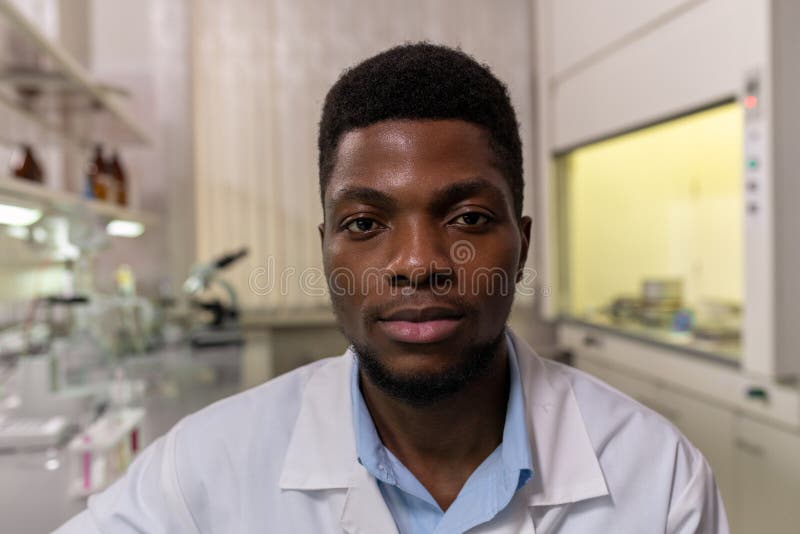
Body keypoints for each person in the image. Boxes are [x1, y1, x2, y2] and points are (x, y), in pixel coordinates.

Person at [57, 43, 728, 534]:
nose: (416, 262)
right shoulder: (202, 469)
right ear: (326, 248)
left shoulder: (660, 479)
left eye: (467, 218)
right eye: (366, 222)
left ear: (521, 244)